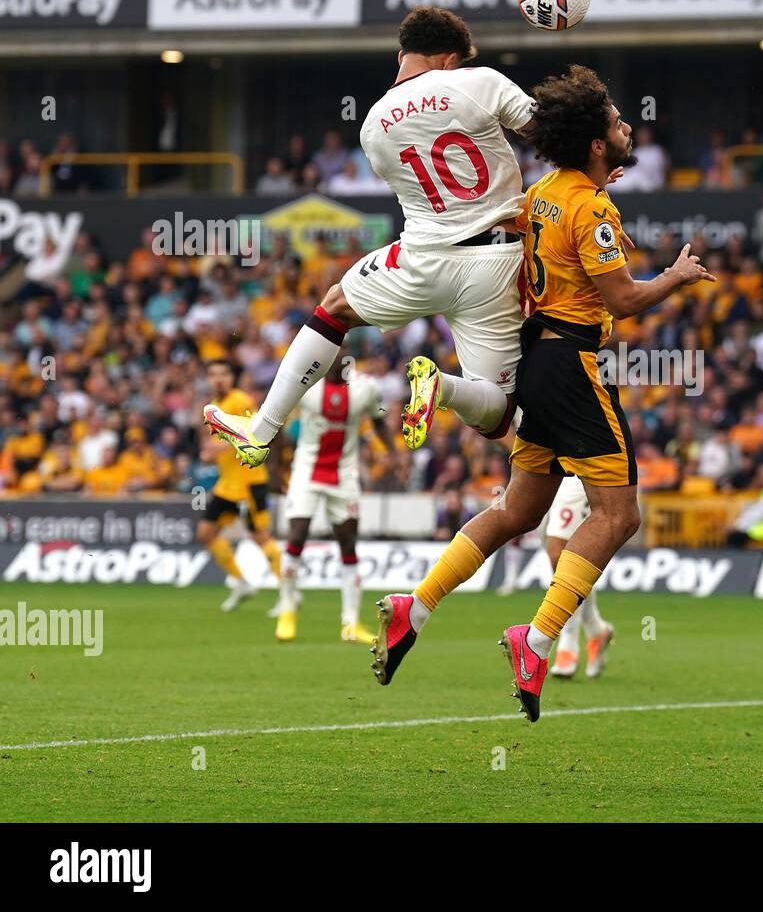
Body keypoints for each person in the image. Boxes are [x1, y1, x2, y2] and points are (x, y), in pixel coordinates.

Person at [369, 65, 714, 722]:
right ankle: (539, 636)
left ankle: (414, 606)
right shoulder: (592, 207)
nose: (627, 127)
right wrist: (675, 276)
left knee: (517, 511)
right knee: (618, 516)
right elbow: (622, 299)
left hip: (535, 358)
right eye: (616, 122)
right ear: (594, 144)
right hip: (571, 367)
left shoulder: (544, 194)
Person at [204, 7, 536, 468]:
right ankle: (444, 387)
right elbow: (545, 132)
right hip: (498, 261)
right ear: (447, 57)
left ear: (402, 54)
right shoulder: (480, 82)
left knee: (335, 307)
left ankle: (261, 429)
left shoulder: (373, 127)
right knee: (497, 410)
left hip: (424, 257)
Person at [275, 354, 388, 644]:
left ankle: (350, 623)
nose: (338, 361)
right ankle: (287, 609)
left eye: (343, 355)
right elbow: (276, 417)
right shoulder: (306, 385)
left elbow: (379, 418)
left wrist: (394, 452)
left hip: (345, 474)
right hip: (306, 471)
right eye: (331, 355)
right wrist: (275, 468)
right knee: (297, 535)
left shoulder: (366, 388)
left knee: (348, 543)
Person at [198, 359, 283, 613]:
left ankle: (287, 592)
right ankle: (242, 582)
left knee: (261, 537)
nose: (218, 379)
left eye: (223, 373)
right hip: (227, 484)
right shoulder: (214, 407)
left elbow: (254, 435)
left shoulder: (241, 401)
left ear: (231, 378)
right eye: (213, 374)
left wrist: (217, 447)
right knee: (206, 533)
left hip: (249, 482)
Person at [544, 475, 615, 678]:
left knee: (560, 554)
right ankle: (596, 629)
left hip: (578, 466)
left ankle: (568, 647)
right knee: (565, 559)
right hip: (545, 468)